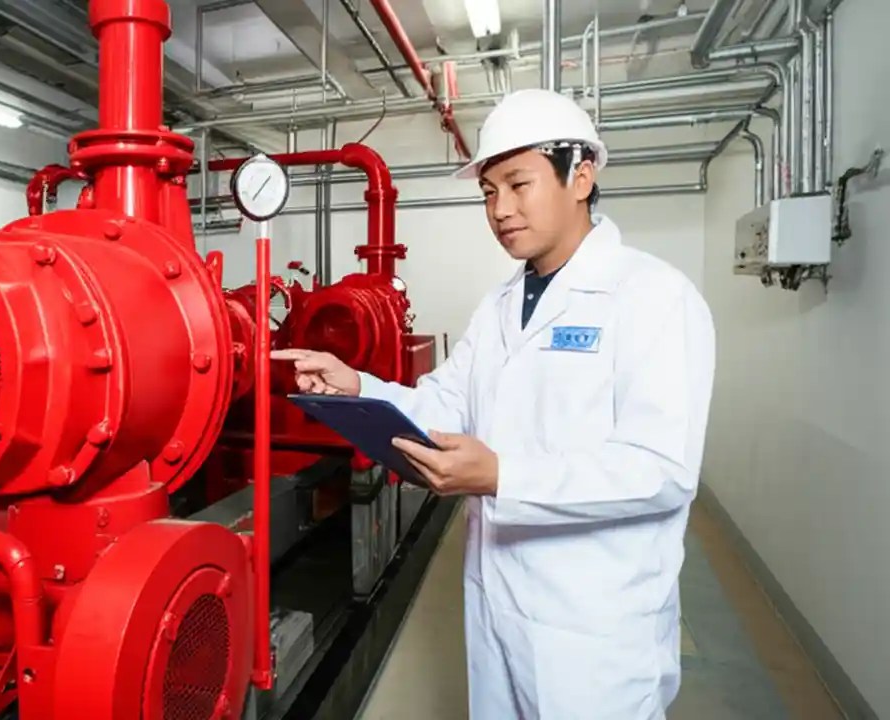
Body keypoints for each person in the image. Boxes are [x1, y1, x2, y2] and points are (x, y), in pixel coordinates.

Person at [272, 88, 716, 719]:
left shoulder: (653, 299)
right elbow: (446, 402)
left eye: (518, 184)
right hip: (496, 602)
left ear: (581, 176)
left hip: (592, 629)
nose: (500, 209)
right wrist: (359, 387)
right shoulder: (502, 304)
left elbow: (660, 470)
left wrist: (503, 475)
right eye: (487, 192)